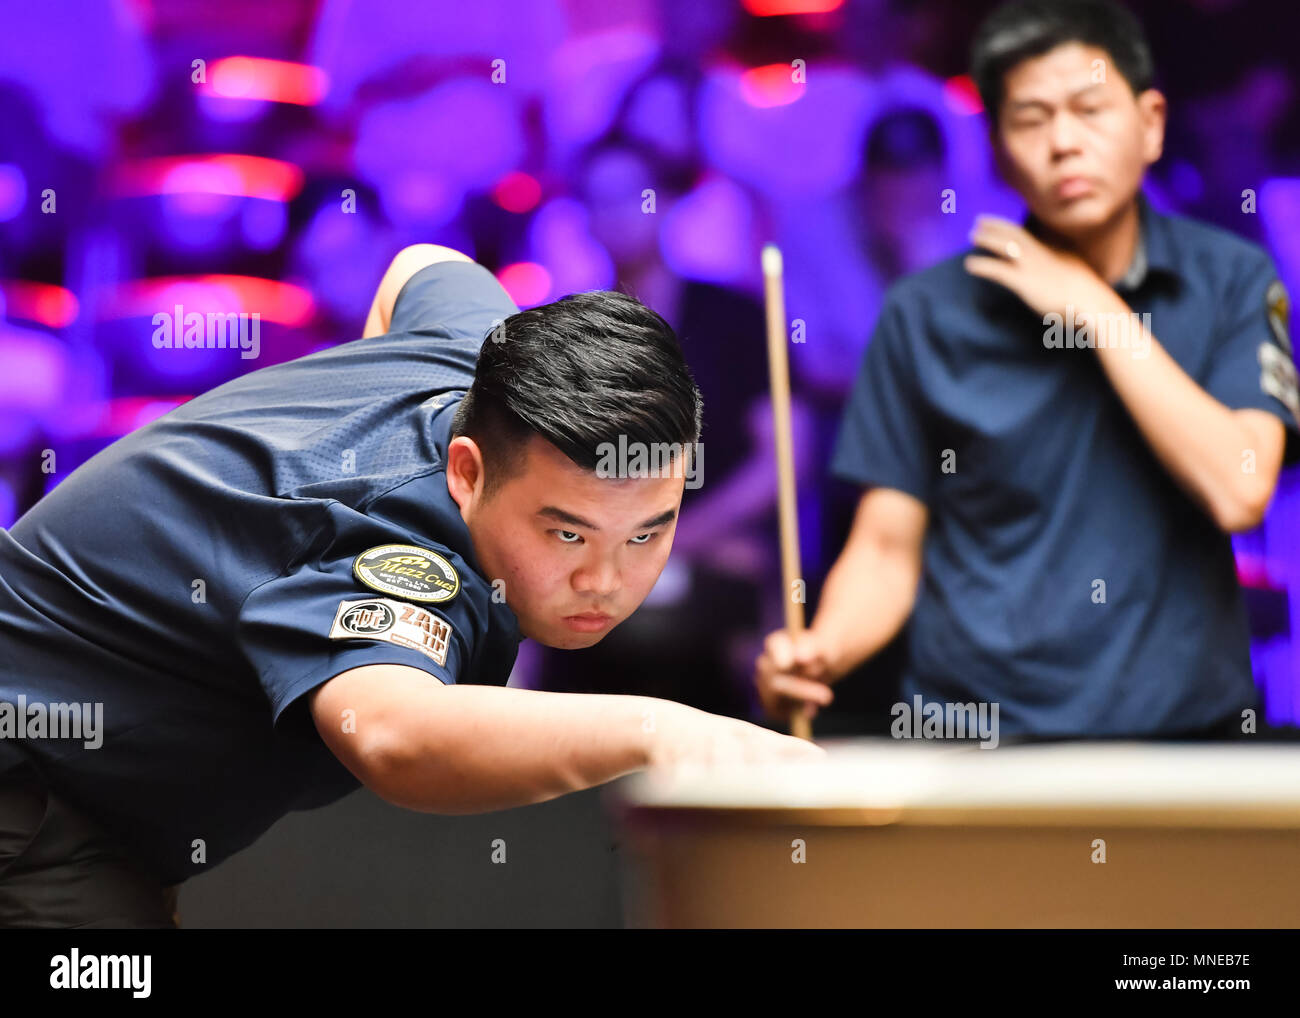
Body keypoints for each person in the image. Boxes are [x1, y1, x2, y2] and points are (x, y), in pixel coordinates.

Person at [0, 244, 821, 928]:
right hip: (35, 796)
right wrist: (668, 734)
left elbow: (421, 265)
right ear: (466, 473)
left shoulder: (487, 353)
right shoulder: (389, 542)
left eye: (649, 530)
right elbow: (395, 735)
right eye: (566, 532)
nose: (606, 580)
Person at [754, 0, 1300, 741]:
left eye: (1090, 109)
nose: (1065, 142)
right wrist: (822, 650)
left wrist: (1097, 313)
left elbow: (1238, 488)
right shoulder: (927, 312)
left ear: (1151, 124)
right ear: (999, 150)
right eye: (1032, 118)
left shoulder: (1232, 281)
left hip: (1180, 741)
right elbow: (886, 546)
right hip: (973, 746)